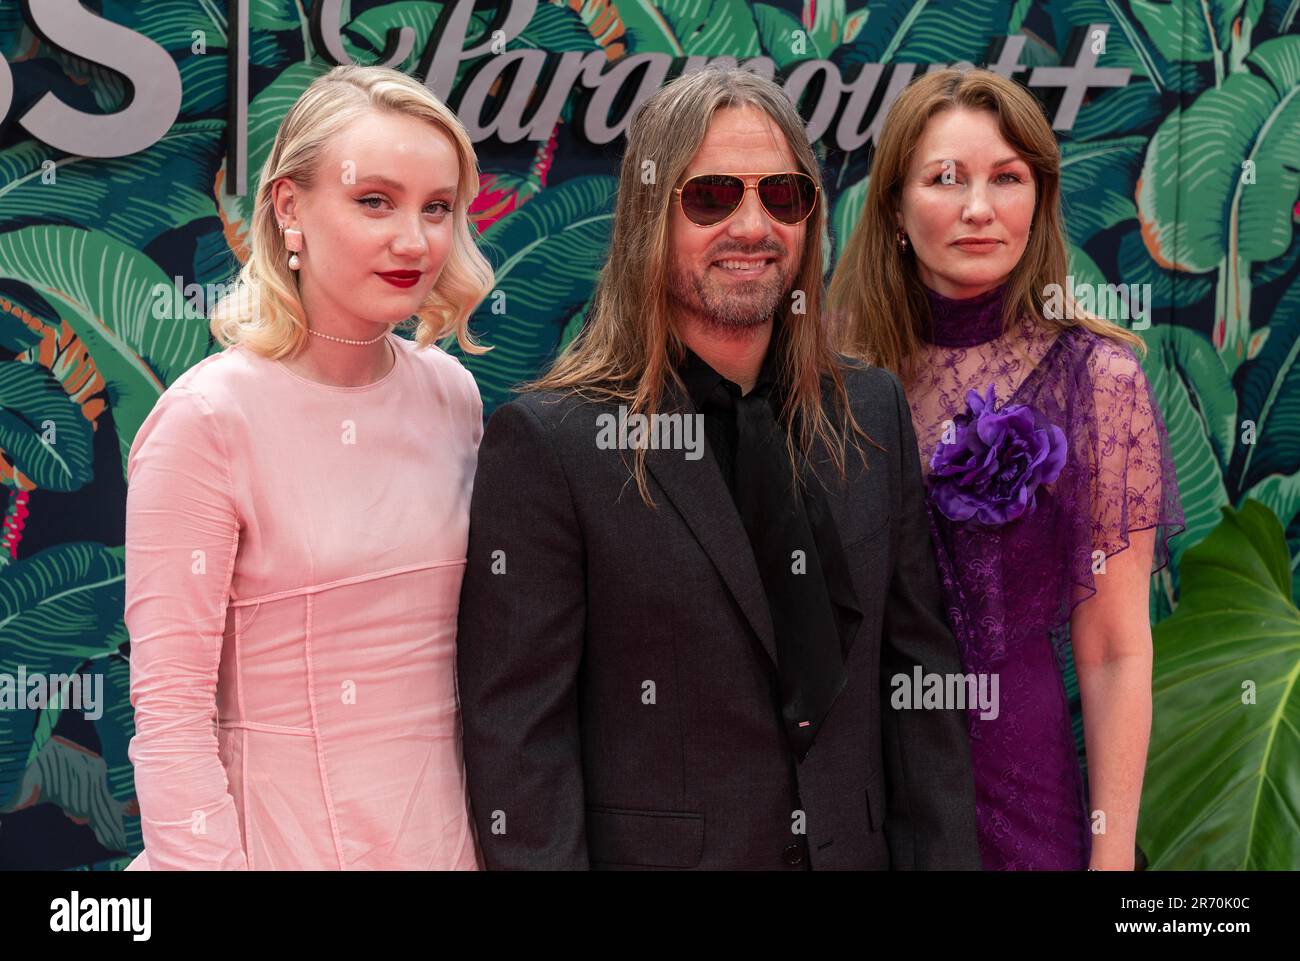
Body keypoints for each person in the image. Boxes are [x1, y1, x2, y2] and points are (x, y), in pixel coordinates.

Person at [455, 65, 981, 870]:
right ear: (647, 217)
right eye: (711, 197)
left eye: (782, 196)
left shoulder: (871, 412)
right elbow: (521, 745)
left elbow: (919, 694)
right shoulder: (552, 443)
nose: (752, 225)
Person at [124, 65, 493, 869]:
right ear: (289, 208)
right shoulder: (208, 421)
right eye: (375, 201)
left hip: (447, 842)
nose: (415, 240)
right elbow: (172, 713)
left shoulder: (453, 396)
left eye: (436, 208)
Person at [829, 68, 1184, 870]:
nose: (979, 208)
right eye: (945, 179)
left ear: (1039, 202)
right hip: (862, 789)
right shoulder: (833, 374)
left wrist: (1113, 856)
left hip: (1021, 780)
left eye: (1008, 178)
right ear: (893, 206)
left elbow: (1116, 650)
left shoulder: (1099, 380)